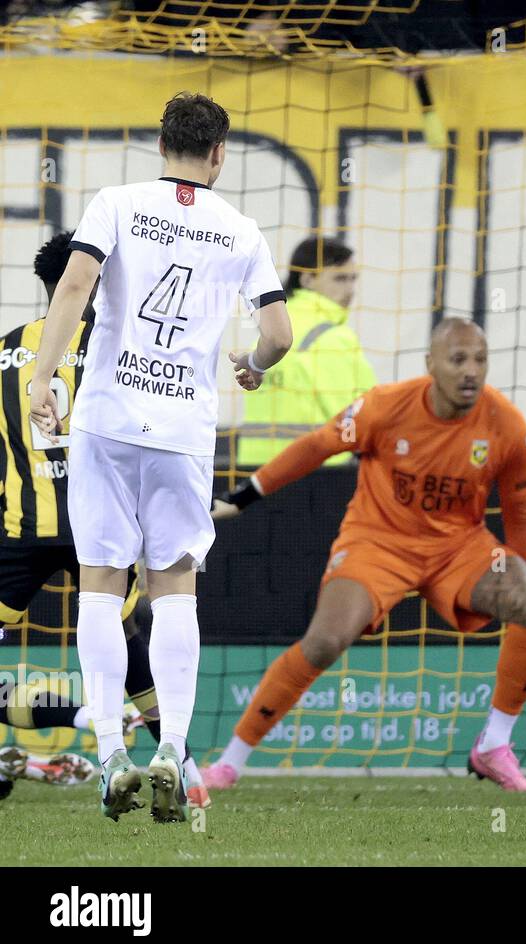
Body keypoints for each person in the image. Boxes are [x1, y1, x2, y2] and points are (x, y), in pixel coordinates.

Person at [29, 91, 293, 822]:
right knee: (174, 585)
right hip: (181, 432)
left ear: (161, 144)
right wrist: (254, 364)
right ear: (219, 154)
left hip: (108, 420)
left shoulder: (115, 201)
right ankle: (172, 748)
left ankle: (110, 751)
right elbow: (279, 331)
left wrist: (45, 376)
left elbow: (77, 286)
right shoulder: (240, 228)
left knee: (101, 586)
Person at [202, 318, 526, 793]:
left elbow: (521, 520)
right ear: (431, 364)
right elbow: (317, 446)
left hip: (458, 547)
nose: (471, 371)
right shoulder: (387, 406)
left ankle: (494, 745)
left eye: (480, 360)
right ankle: (229, 764)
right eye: (458, 360)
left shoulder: (508, 427)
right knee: (325, 642)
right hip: (377, 541)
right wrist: (243, 497)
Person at [0, 231, 211, 808]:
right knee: (128, 636)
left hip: (23, 527)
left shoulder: (6, 350)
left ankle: (78, 730)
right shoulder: (120, 344)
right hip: (97, 519)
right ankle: (183, 767)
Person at [237, 236, 374, 467]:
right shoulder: (333, 337)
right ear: (308, 279)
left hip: (254, 475)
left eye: (353, 279)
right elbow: (363, 414)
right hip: (317, 475)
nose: (351, 289)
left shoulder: (270, 334)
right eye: (340, 278)